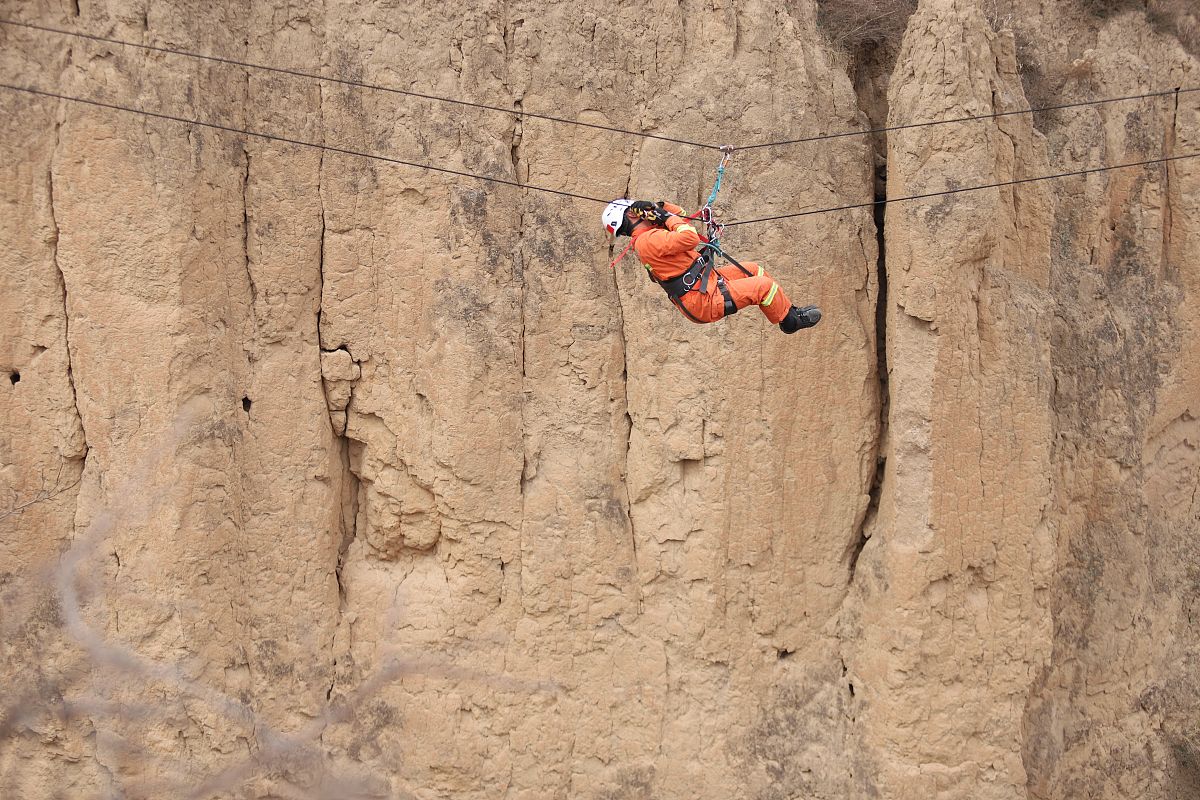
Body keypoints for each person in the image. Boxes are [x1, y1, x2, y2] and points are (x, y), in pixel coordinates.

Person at [602, 199, 821, 333]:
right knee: (762, 286)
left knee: (752, 270)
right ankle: (790, 322)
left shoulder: (650, 236)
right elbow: (689, 238)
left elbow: (683, 220)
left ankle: (787, 311)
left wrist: (662, 209)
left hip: (704, 286)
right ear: (631, 214)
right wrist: (665, 218)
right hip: (702, 298)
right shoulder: (649, 240)